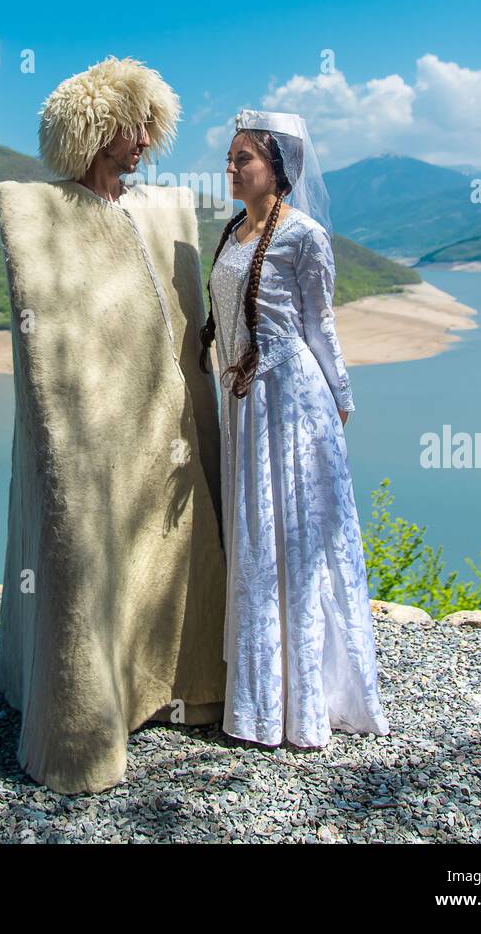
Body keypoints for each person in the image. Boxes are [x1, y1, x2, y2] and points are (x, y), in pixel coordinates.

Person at [0, 56, 226, 795]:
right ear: (89, 133)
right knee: (81, 551)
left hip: (166, 424)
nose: (142, 144)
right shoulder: (45, 216)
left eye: (147, 129)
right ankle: (78, 719)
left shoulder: (158, 211)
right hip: (94, 429)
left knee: (167, 550)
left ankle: (169, 684)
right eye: (128, 130)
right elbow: (56, 331)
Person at [200, 108, 390, 748]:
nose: (230, 168)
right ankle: (261, 696)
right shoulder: (233, 233)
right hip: (248, 404)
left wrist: (340, 399)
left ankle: (302, 701)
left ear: (277, 168)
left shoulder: (304, 236)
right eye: (230, 158)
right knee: (261, 539)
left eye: (243, 159)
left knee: (293, 542)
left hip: (289, 405)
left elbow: (320, 326)